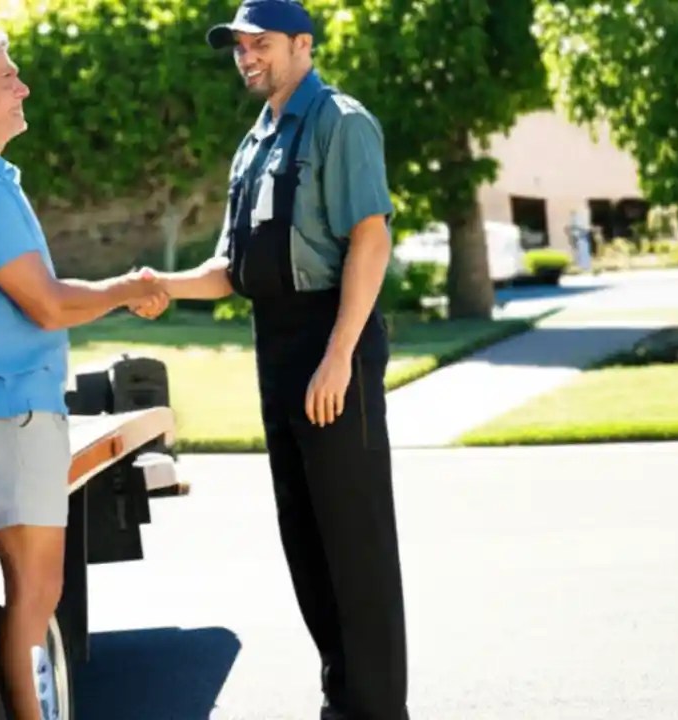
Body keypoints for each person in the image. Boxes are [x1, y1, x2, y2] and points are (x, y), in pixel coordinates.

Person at [135, 1, 411, 717]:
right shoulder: (256, 141)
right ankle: (342, 699)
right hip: (276, 343)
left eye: (260, 43)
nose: (246, 55)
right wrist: (157, 285)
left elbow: (370, 241)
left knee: (357, 544)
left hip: (330, 341)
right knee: (308, 540)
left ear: (302, 45)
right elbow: (232, 267)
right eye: (238, 45)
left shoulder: (340, 123)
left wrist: (339, 355)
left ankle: (378, 709)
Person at [0, 27, 167, 720]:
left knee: (37, 589)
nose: (23, 87)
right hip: (7, 413)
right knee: (34, 591)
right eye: (8, 79)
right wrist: (125, 287)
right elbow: (48, 305)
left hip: (7, 411)